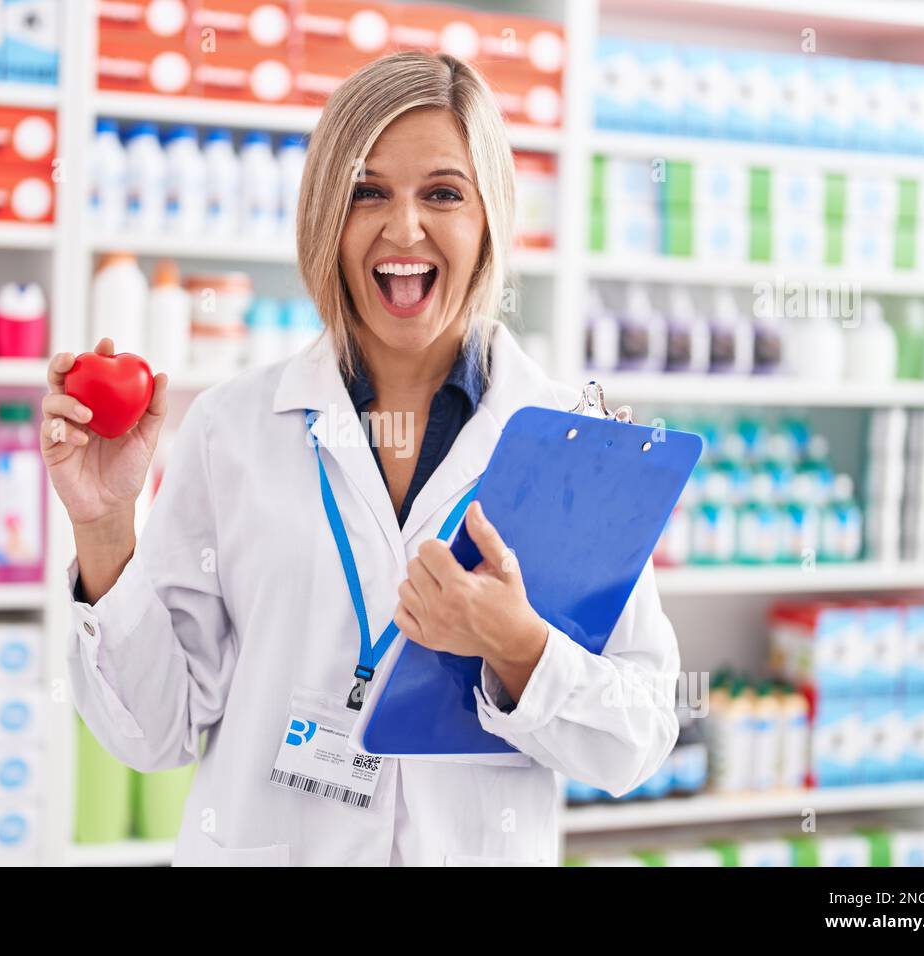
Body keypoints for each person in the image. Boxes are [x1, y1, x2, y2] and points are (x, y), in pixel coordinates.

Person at [42, 51, 680, 866]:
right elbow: (153, 734)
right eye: (367, 191)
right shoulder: (232, 427)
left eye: (443, 194)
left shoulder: (570, 443)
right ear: (325, 216)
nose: (403, 228)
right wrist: (103, 530)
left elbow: (638, 737)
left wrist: (518, 645)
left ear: (489, 218)